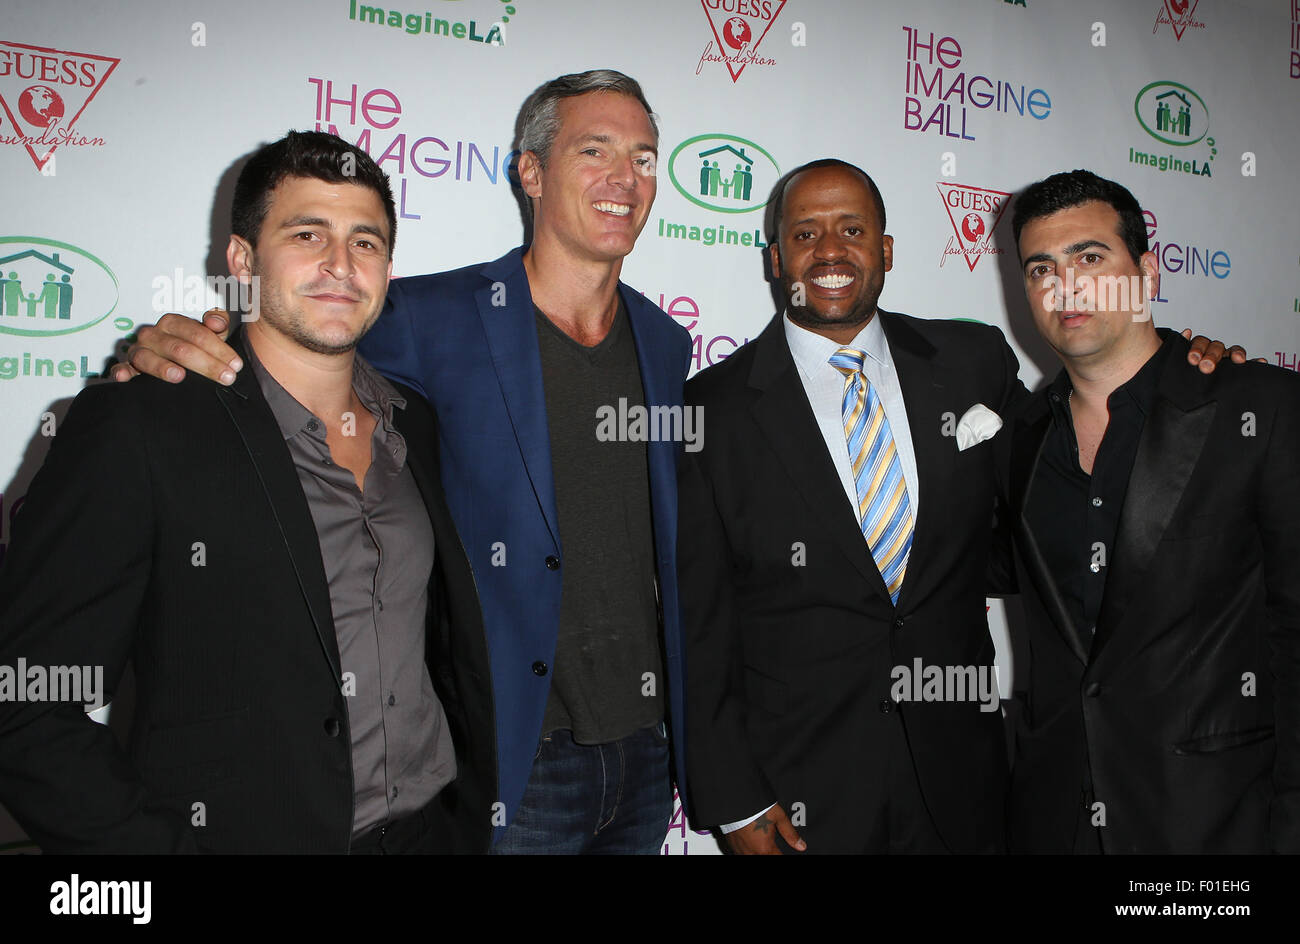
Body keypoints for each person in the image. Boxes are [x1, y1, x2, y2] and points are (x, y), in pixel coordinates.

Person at [111, 71, 690, 854]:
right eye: (595, 150)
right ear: (531, 171)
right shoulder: (428, 314)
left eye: (644, 158)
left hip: (647, 755)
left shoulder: (665, 341)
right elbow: (289, 353)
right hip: (516, 762)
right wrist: (176, 348)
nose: (625, 178)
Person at [677, 159, 1242, 855]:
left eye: (852, 229)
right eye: (805, 233)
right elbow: (697, 624)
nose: (829, 251)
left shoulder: (971, 359)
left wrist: (1186, 362)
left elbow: (1065, 484)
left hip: (969, 783)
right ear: (775, 258)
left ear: (885, 250)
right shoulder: (711, 410)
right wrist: (734, 802)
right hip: (800, 790)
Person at [0, 131, 493, 853]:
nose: (339, 264)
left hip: (430, 834)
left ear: (388, 269)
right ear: (241, 261)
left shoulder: (415, 423)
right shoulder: (141, 426)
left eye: (365, 242)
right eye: (306, 233)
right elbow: (26, 705)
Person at [1001, 169, 1300, 853]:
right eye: (1040, 267)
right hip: (1056, 825)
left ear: (1147, 273)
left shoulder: (1260, 408)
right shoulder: (1020, 441)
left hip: (1212, 828)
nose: (1064, 285)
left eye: (1091, 257)